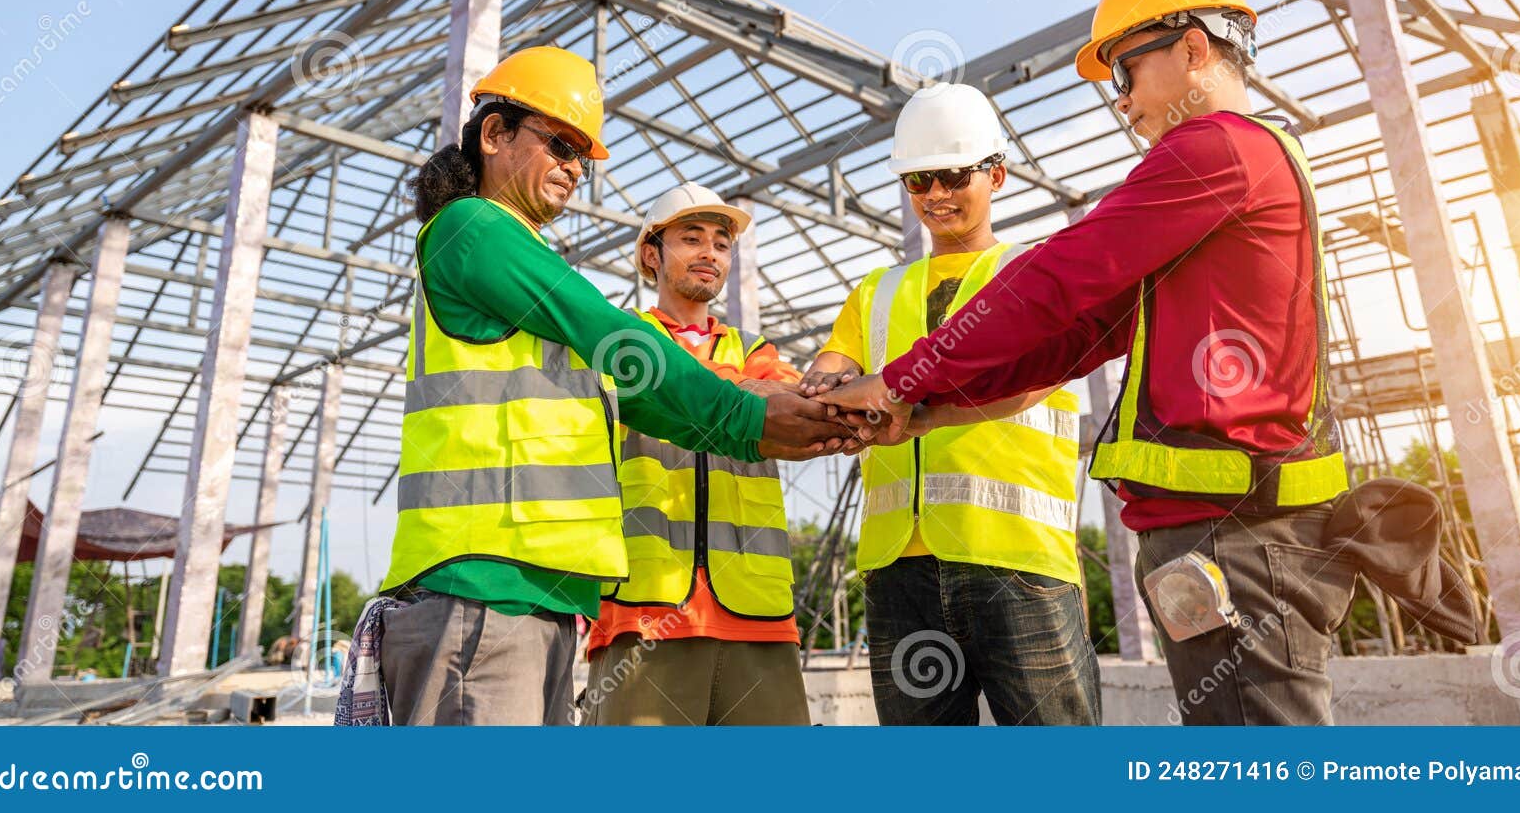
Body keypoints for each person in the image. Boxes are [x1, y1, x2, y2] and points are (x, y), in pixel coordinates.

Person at [820, 0, 1356, 725]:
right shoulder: (1228, 168)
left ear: (1194, 48)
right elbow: (1082, 336)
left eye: (1126, 73)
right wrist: (932, 411)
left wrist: (903, 378)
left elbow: (1065, 277)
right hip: (1219, 526)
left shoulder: (1217, 150)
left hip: (1235, 527)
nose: (1123, 102)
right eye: (919, 180)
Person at [377, 46, 849, 725]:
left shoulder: (515, 253)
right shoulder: (472, 228)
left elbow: (629, 375)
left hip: (532, 597)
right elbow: (609, 335)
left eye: (582, 157)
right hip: (477, 592)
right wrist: (747, 417)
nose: (573, 169)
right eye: (561, 144)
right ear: (493, 134)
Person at [800, 83, 1100, 725]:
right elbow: (827, 375)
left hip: (1019, 562)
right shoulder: (875, 292)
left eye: (953, 175)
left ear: (996, 174)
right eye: (918, 180)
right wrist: (815, 394)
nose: (935, 194)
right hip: (898, 571)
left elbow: (1037, 380)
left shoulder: (1037, 271)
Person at [582, 184, 810, 725]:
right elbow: (756, 397)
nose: (710, 253)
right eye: (691, 238)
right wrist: (744, 391)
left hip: (757, 613)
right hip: (643, 611)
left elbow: (799, 407)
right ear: (650, 255)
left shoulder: (755, 350)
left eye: (721, 243)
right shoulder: (621, 339)